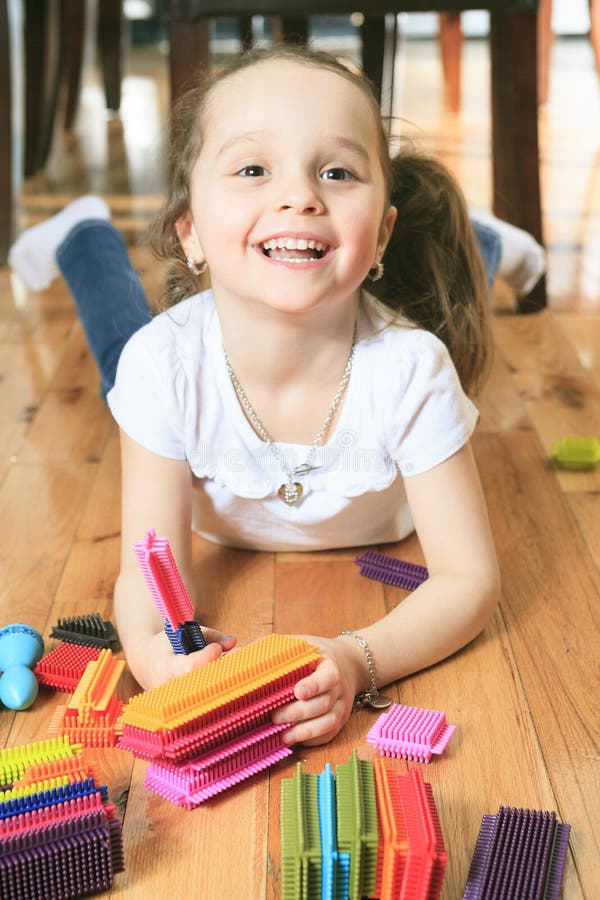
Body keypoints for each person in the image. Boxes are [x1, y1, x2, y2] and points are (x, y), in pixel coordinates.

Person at [7, 46, 543, 747]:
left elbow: (468, 581)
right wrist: (149, 650)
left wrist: (357, 657)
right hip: (173, 354)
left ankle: (482, 239)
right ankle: (83, 235)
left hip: (402, 332)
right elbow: (149, 568)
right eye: (254, 169)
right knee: (121, 356)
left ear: (382, 233)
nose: (300, 197)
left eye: (338, 172)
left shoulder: (414, 370)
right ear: (191, 230)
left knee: (450, 314)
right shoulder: (164, 366)